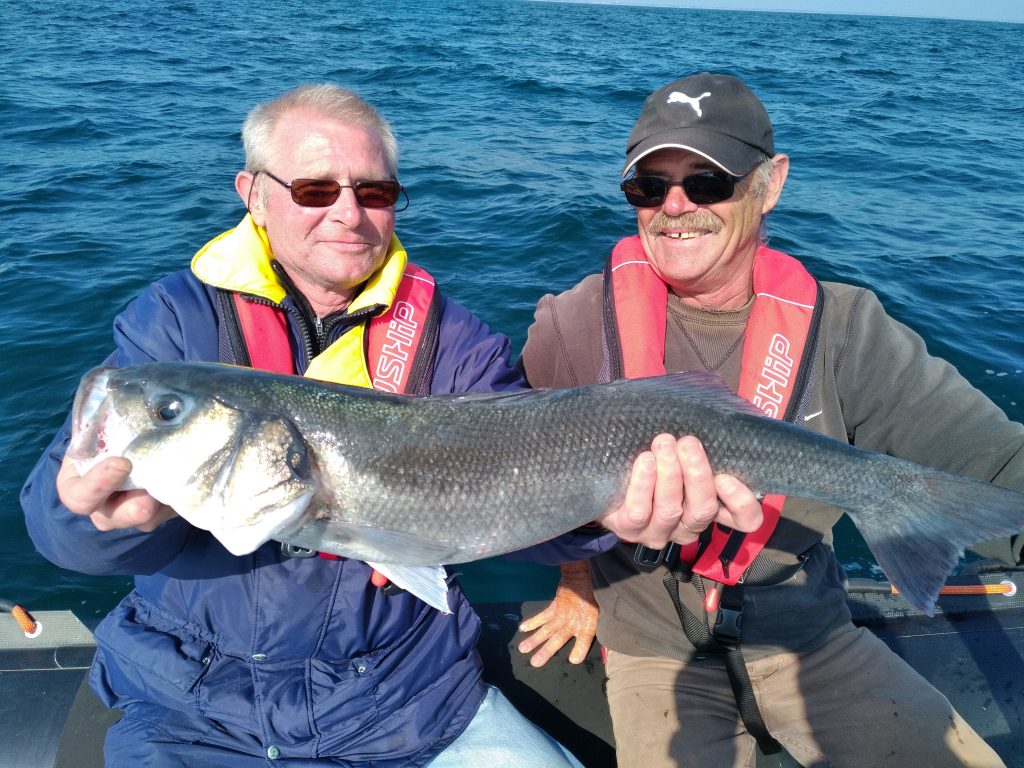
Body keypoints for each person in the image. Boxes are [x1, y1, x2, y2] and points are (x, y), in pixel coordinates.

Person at [21, 83, 761, 767]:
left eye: (372, 191)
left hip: (412, 699)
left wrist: (612, 519)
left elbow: (527, 505)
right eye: (313, 189)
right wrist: (104, 522)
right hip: (191, 707)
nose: (347, 213)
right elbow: (60, 531)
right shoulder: (173, 328)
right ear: (252, 195)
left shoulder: (457, 342)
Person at [519, 71, 1024, 768]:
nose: (675, 207)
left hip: (807, 635)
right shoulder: (568, 325)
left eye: (707, 182)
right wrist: (575, 583)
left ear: (770, 183)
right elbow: (526, 486)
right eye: (648, 185)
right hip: (650, 648)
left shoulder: (849, 330)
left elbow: (996, 464)